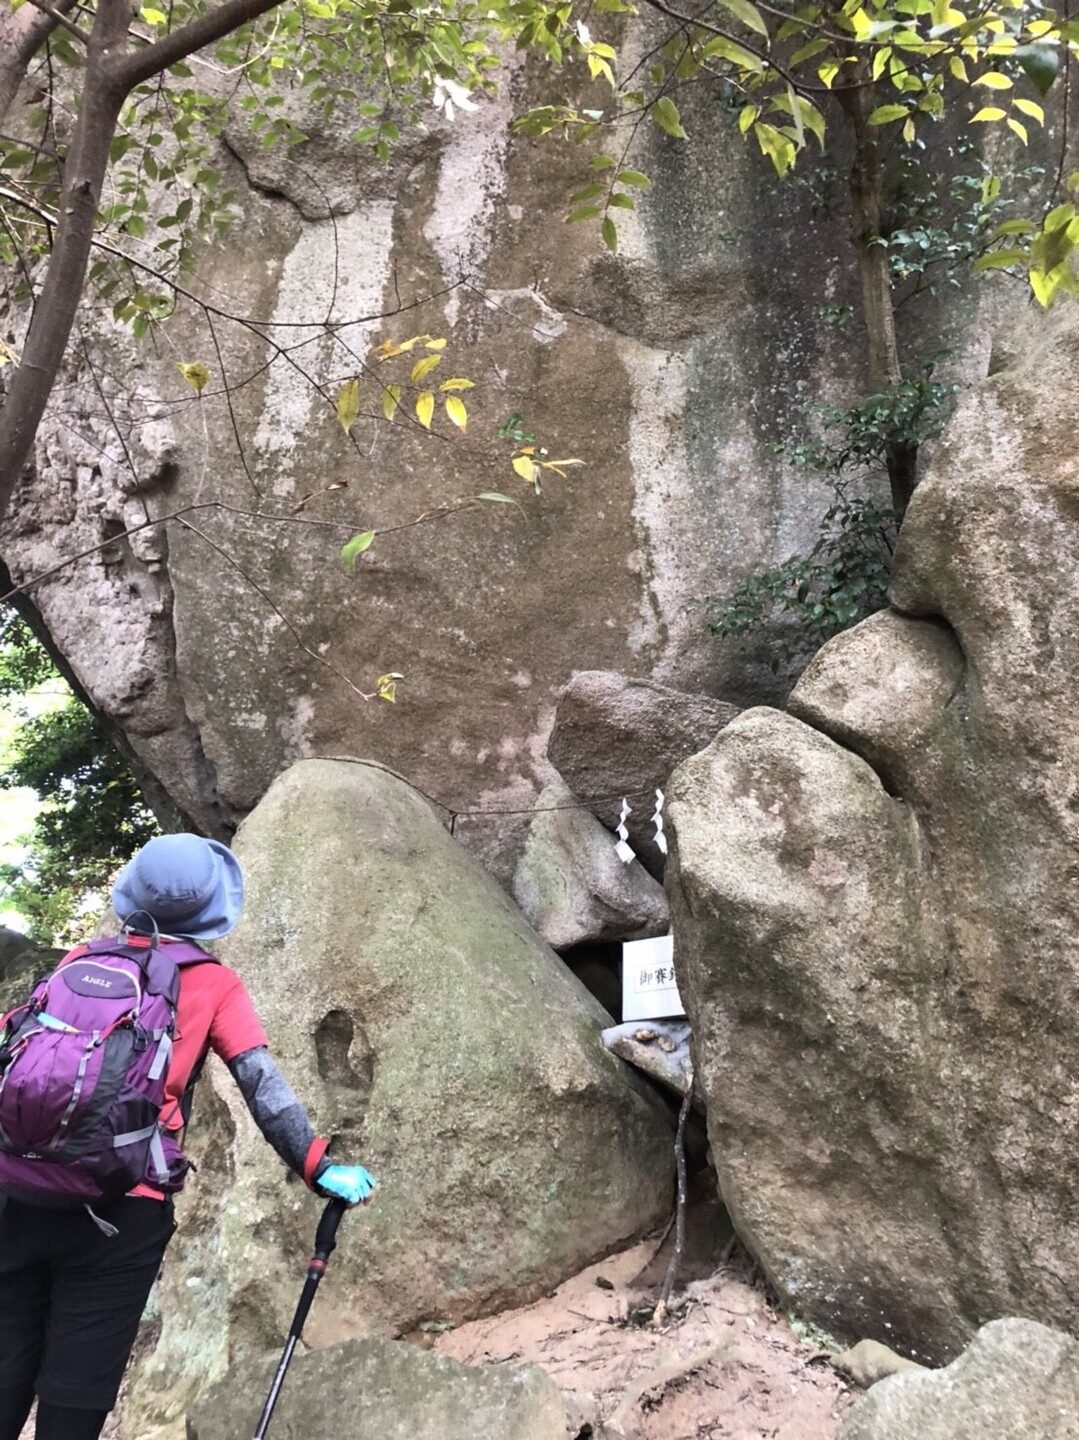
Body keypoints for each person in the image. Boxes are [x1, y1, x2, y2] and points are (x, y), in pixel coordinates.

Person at [0, 833, 376, 1440]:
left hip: (19, 1193)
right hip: (124, 1209)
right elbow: (260, 1083)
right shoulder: (212, 984)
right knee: (77, 1388)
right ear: (211, 909)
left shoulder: (79, 960)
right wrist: (318, 1166)